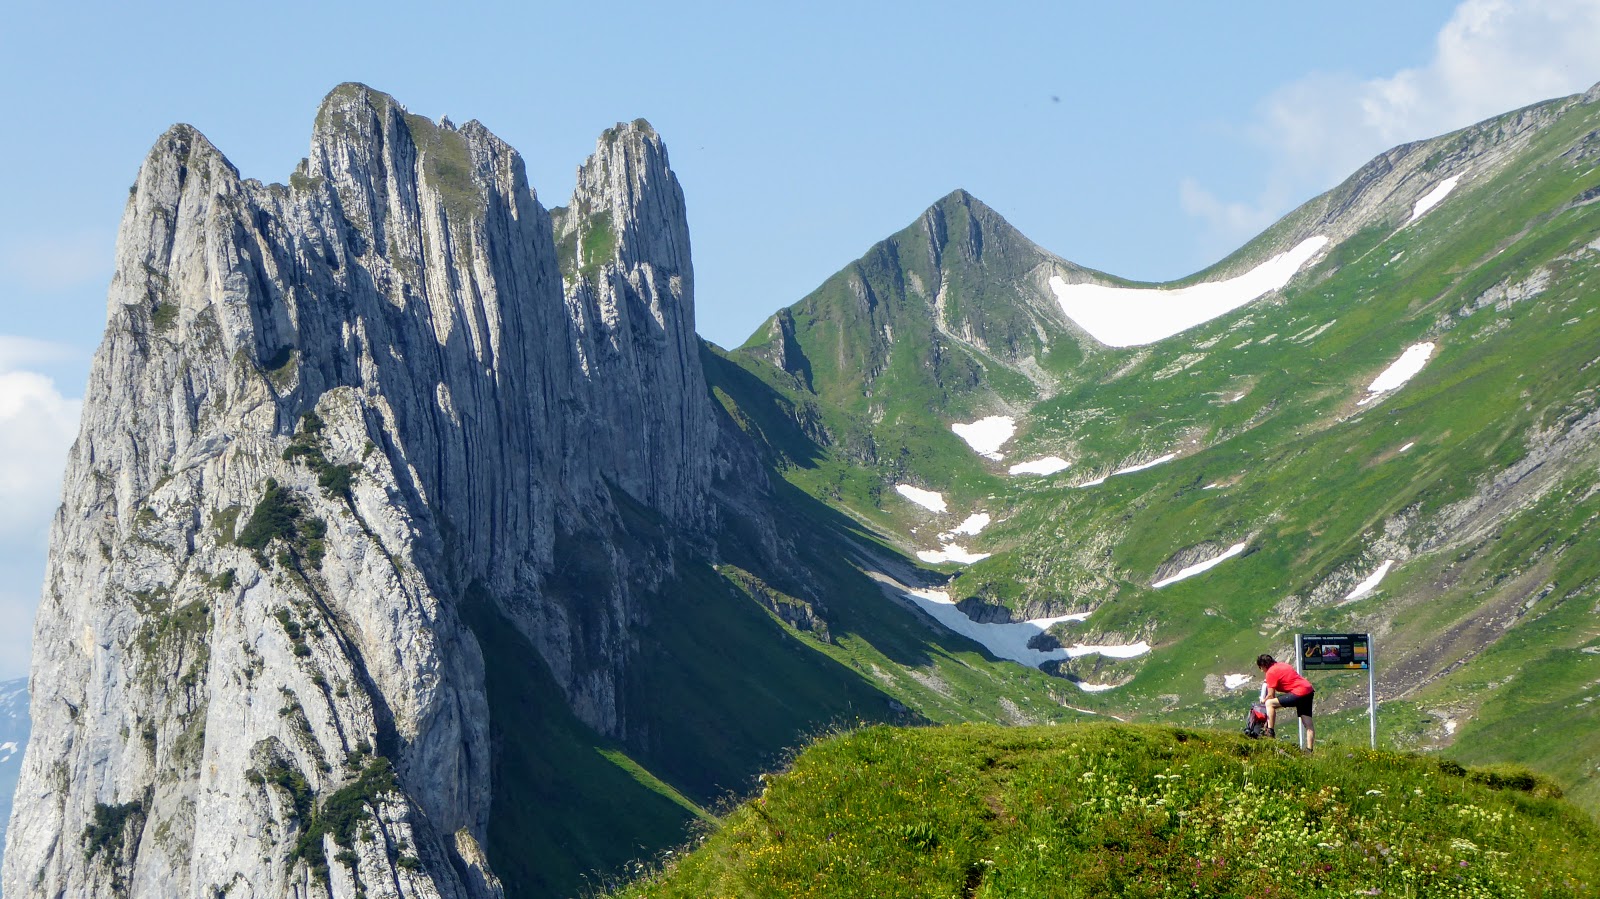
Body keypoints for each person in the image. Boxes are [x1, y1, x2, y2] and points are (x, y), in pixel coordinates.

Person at [1256, 653, 1315, 752]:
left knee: (1269, 703)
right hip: (1308, 691)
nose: (1261, 670)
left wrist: (1263, 701)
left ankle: (1270, 732)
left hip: (1298, 692)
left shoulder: (1270, 672)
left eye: (1260, 668)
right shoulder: (1283, 665)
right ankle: (1309, 750)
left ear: (1263, 665)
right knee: (1308, 724)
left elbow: (1270, 696)